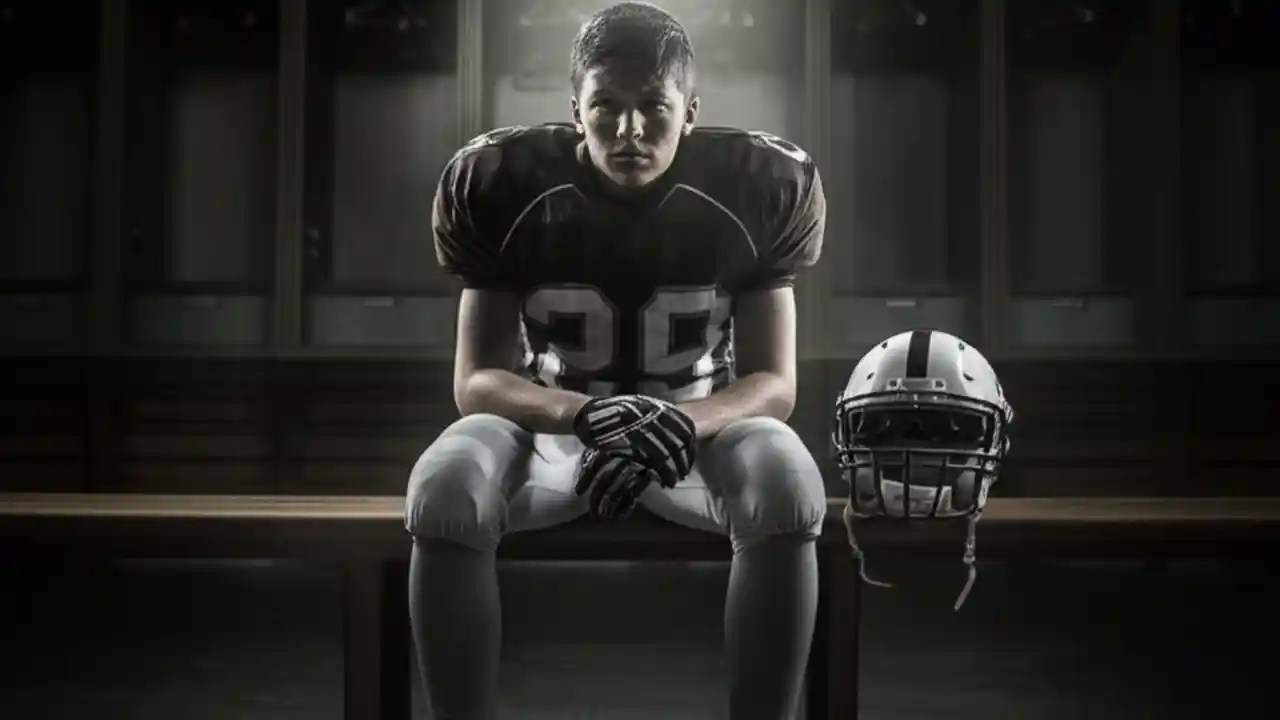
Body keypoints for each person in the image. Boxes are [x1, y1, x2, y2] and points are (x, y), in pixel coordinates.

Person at [404, 2, 827, 718]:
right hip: (552, 433)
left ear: (690, 113)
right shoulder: (503, 182)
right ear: (577, 109)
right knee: (443, 484)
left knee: (787, 478)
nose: (630, 130)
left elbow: (773, 382)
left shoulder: (758, 184)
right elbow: (475, 380)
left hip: (699, 434)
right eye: (607, 106)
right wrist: (589, 416)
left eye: (653, 107)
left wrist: (675, 423)